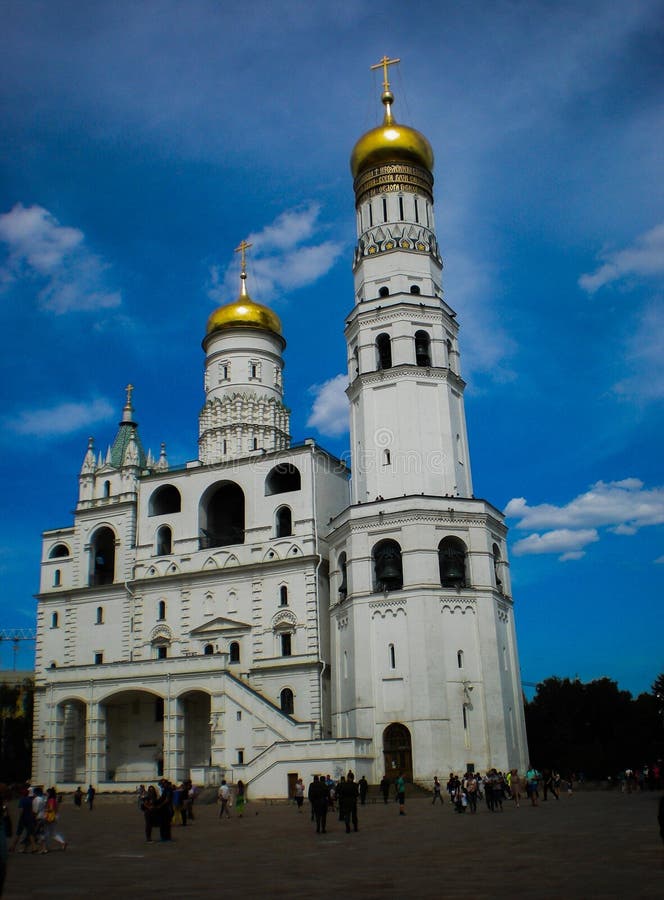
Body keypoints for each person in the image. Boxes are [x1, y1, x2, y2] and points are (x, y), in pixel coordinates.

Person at [43, 787, 67, 852]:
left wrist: (45, 809)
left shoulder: (51, 800)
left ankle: (46, 848)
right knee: (52, 833)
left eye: (47, 793)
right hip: (54, 816)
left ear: (49, 793)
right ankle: (62, 842)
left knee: (47, 832)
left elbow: (51, 809)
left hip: (50, 817)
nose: (46, 794)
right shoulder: (54, 799)